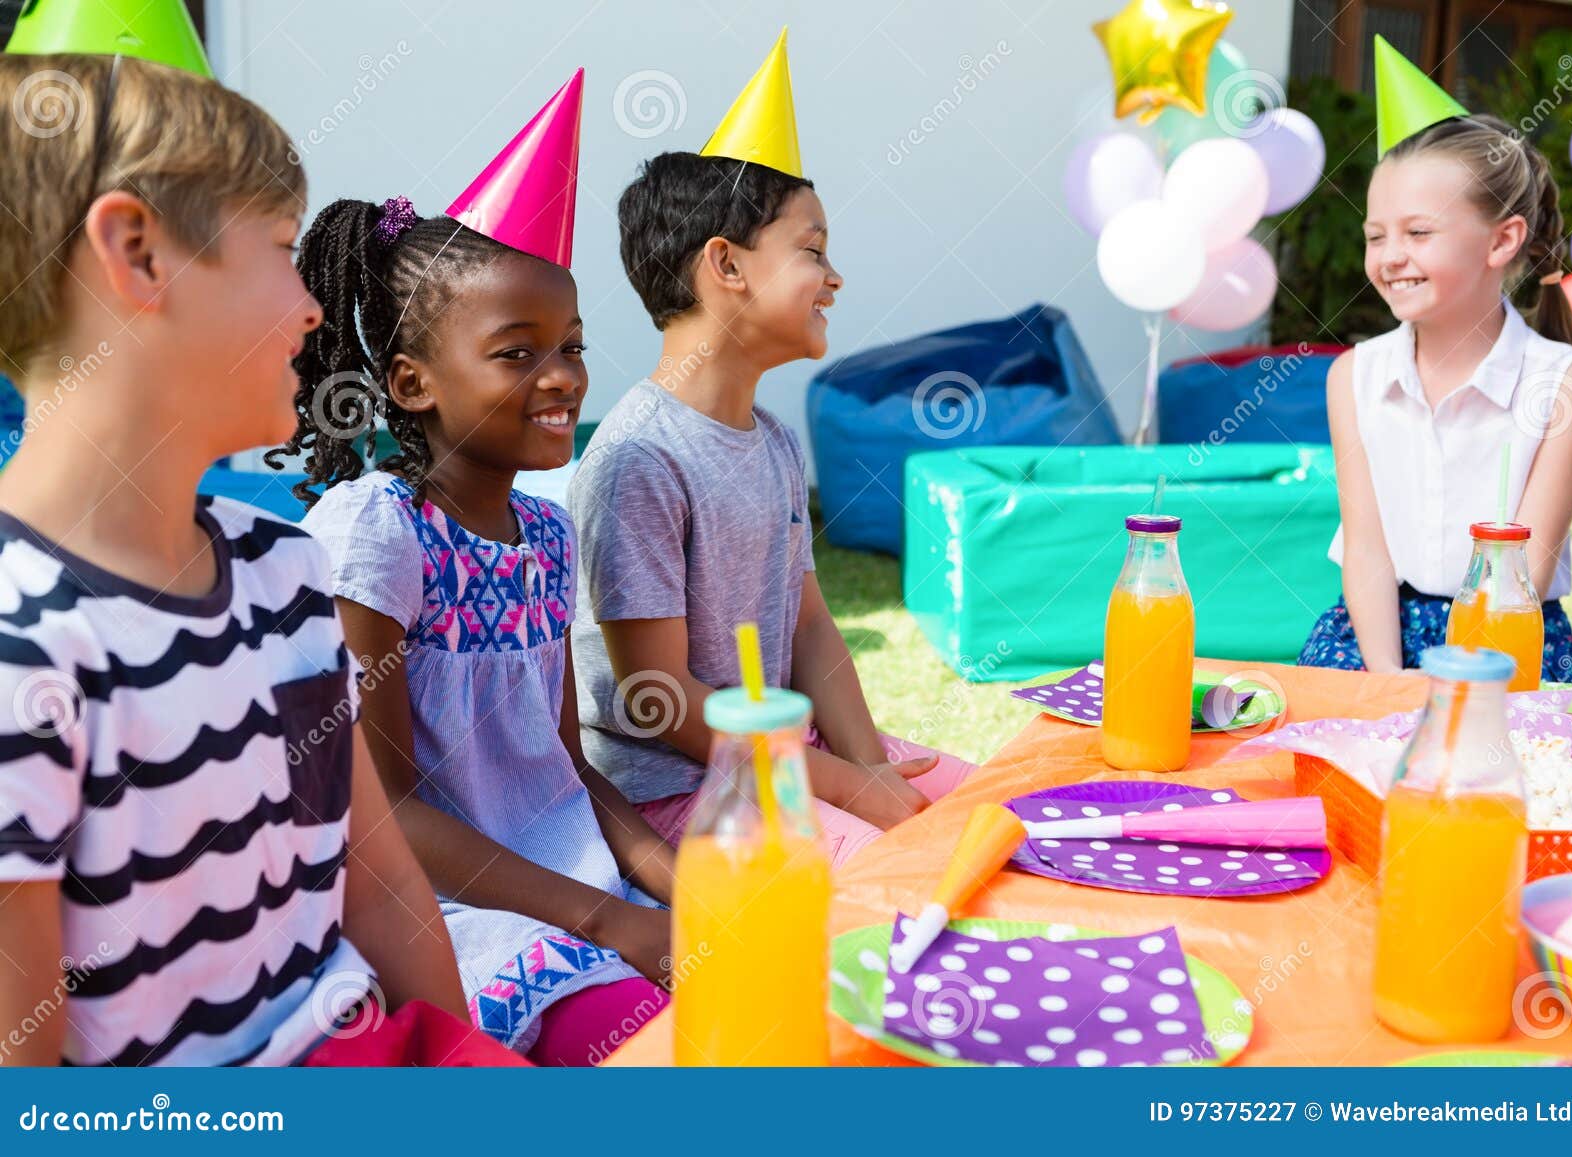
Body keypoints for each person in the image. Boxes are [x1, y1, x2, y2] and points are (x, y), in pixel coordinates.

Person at [0, 52, 467, 1066]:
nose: (311, 306)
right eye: (280, 248)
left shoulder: (283, 570)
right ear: (137, 253)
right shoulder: (21, 649)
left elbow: (379, 884)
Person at [281, 72, 675, 1066]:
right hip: (450, 912)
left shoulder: (543, 535)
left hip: (575, 881)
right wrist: (603, 921)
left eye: (572, 346)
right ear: (411, 382)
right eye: (515, 352)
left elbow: (568, 768)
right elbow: (386, 813)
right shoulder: (378, 534)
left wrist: (673, 877)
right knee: (659, 1050)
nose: (562, 377)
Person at [570, 33, 975, 867]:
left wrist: (868, 764)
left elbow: (813, 629)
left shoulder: (776, 442)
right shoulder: (638, 458)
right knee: (903, 874)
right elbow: (663, 700)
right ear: (726, 265)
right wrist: (849, 788)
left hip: (791, 762)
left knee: (989, 811)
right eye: (813, 249)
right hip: (688, 789)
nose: (834, 277)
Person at [1300, 46, 1572, 681]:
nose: (1390, 256)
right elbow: (1367, 551)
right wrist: (1386, 678)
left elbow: (1523, 576)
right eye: (1375, 236)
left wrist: (1457, 685)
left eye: (1419, 232)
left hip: (1506, 639)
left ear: (1501, 240)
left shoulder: (1566, 383)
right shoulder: (1353, 376)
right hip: (1374, 636)